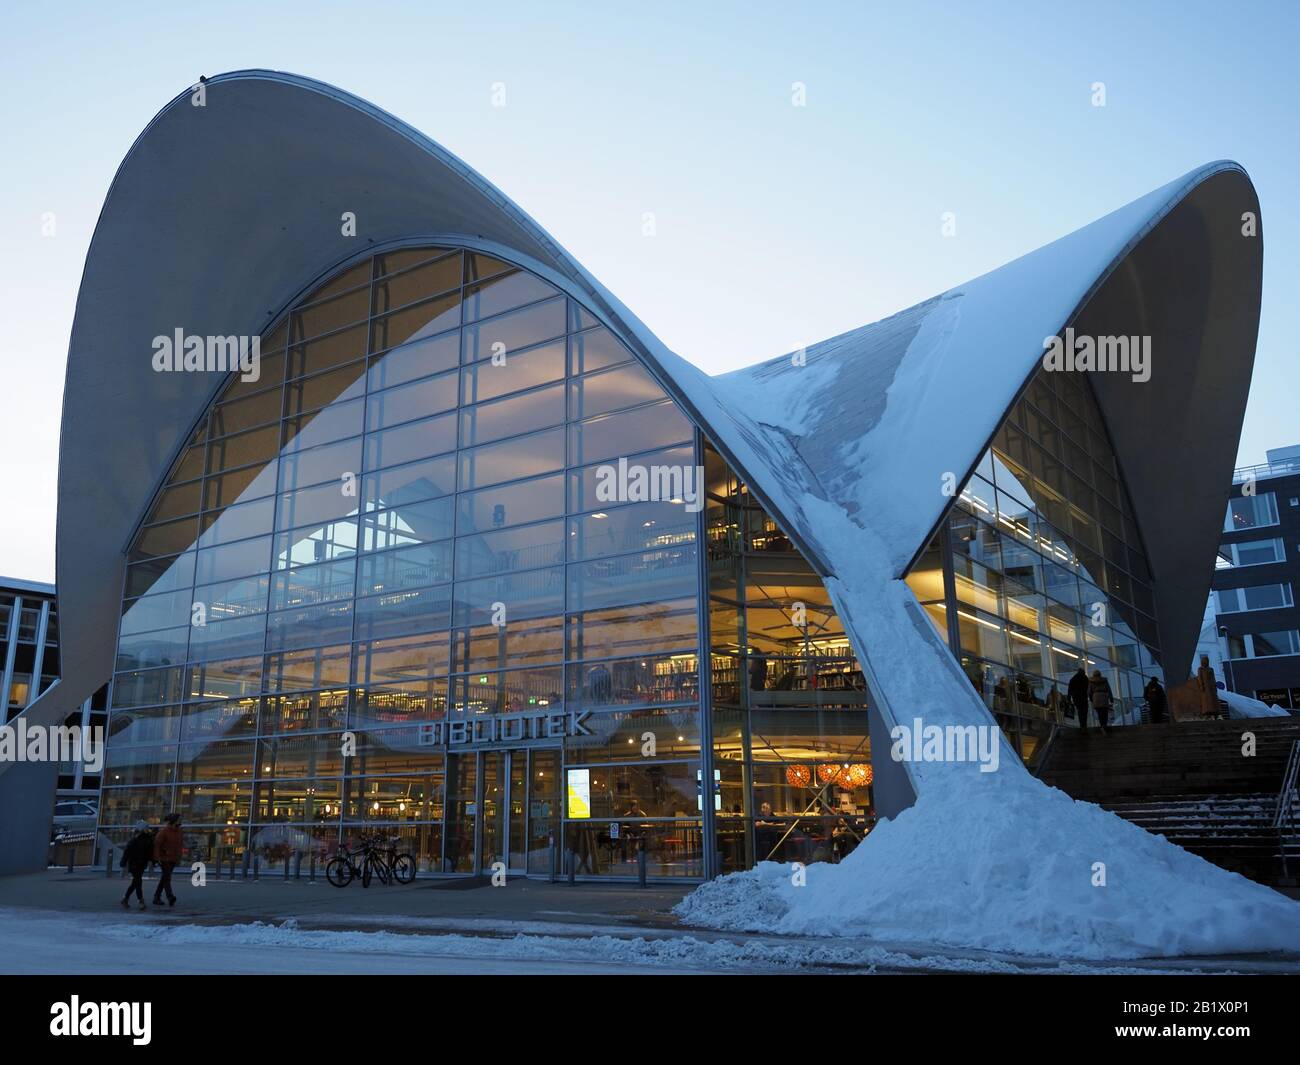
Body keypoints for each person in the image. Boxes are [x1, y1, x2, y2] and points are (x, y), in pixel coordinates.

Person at [119, 821, 153, 910]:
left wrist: (152, 861)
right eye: (146, 828)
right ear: (142, 829)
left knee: (135, 883)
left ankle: (125, 898)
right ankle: (140, 901)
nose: (147, 830)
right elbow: (127, 852)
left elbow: (149, 852)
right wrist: (123, 862)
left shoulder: (147, 839)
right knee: (138, 882)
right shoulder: (135, 840)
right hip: (134, 864)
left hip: (141, 864)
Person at [152, 813, 183, 907]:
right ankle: (170, 896)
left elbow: (179, 846)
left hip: (173, 858)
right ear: (174, 821)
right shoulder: (164, 831)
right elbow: (157, 844)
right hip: (164, 858)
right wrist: (157, 858)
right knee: (167, 877)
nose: (181, 821)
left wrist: (178, 857)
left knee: (165, 878)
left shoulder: (178, 832)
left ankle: (156, 897)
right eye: (179, 819)